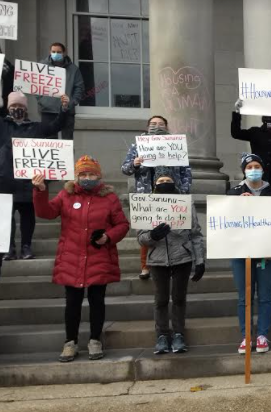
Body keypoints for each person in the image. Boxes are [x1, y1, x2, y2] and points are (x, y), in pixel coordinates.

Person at [32, 156, 130, 362]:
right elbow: (46, 212)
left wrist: (108, 237)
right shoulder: (65, 195)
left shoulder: (109, 198)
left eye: (91, 174)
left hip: (99, 256)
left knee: (97, 301)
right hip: (72, 258)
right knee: (72, 303)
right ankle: (70, 342)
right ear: (76, 176)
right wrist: (40, 191)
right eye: (83, 174)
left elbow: (122, 225)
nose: (87, 178)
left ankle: (95, 340)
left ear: (99, 176)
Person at [137, 167, 205, 355]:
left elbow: (196, 234)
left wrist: (200, 260)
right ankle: (161, 335)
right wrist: (153, 235)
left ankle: (178, 334)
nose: (164, 184)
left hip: (182, 257)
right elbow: (141, 237)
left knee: (179, 298)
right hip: (157, 259)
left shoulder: (185, 204)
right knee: (160, 299)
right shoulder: (146, 205)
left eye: (168, 180)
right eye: (160, 182)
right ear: (154, 185)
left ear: (174, 183)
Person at [122, 115, 193, 280]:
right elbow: (125, 169)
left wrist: (183, 190)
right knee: (148, 230)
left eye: (161, 124)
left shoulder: (176, 145)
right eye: (153, 124)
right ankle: (145, 266)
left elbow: (186, 171)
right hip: (147, 194)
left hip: (172, 192)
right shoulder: (137, 146)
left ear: (167, 127)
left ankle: (177, 263)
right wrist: (135, 163)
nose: (157, 126)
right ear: (147, 127)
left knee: (174, 228)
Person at [2, 92, 69, 261]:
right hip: (5, 179)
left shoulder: (36, 127)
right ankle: (8, 248)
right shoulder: (2, 125)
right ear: (8, 108)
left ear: (25, 109)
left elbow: (56, 126)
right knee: (5, 217)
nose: (17, 109)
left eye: (20, 107)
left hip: (28, 181)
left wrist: (64, 108)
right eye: (13, 106)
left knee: (27, 217)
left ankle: (26, 247)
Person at [227, 154, 271, 354]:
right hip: (241, 254)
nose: (254, 169)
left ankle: (262, 335)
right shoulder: (233, 193)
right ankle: (246, 335)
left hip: (267, 254)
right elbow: (225, 222)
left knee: (265, 296)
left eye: (257, 165)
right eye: (249, 166)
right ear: (244, 170)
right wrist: (237, 203)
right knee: (244, 297)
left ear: (263, 169)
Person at [36, 42, 84, 140]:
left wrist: (71, 102)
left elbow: (79, 88)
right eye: (53, 51)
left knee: (67, 143)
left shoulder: (73, 69)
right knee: (49, 142)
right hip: (48, 111)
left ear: (64, 53)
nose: (56, 54)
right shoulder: (42, 66)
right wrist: (42, 101)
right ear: (50, 52)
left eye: (59, 52)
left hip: (67, 111)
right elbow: (35, 85)